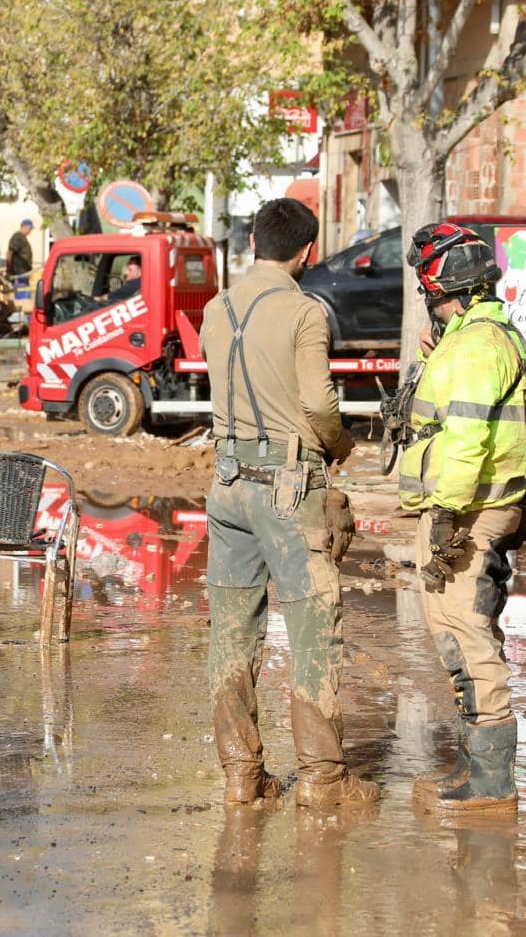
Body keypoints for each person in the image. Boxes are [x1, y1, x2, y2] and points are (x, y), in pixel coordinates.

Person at [199, 197, 373, 810]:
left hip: (226, 485)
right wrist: (341, 446)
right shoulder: (304, 312)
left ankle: (241, 776)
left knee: (231, 631)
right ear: (308, 252)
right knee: (312, 625)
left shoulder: (215, 309)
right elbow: (319, 406)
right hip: (288, 487)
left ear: (251, 240)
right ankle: (324, 780)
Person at [401, 222, 526, 813]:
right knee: (455, 627)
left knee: (467, 631)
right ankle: (477, 765)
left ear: (441, 287)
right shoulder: (475, 337)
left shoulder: (476, 346)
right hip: (479, 503)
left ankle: (491, 783)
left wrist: (445, 515)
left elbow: (463, 440)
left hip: (473, 507)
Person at [7, 219, 35, 285]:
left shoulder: (23, 237)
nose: (30, 231)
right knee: (21, 291)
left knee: (24, 291)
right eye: (30, 228)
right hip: (19, 272)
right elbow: (10, 252)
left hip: (24, 271)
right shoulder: (17, 237)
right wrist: (8, 269)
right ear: (24, 226)